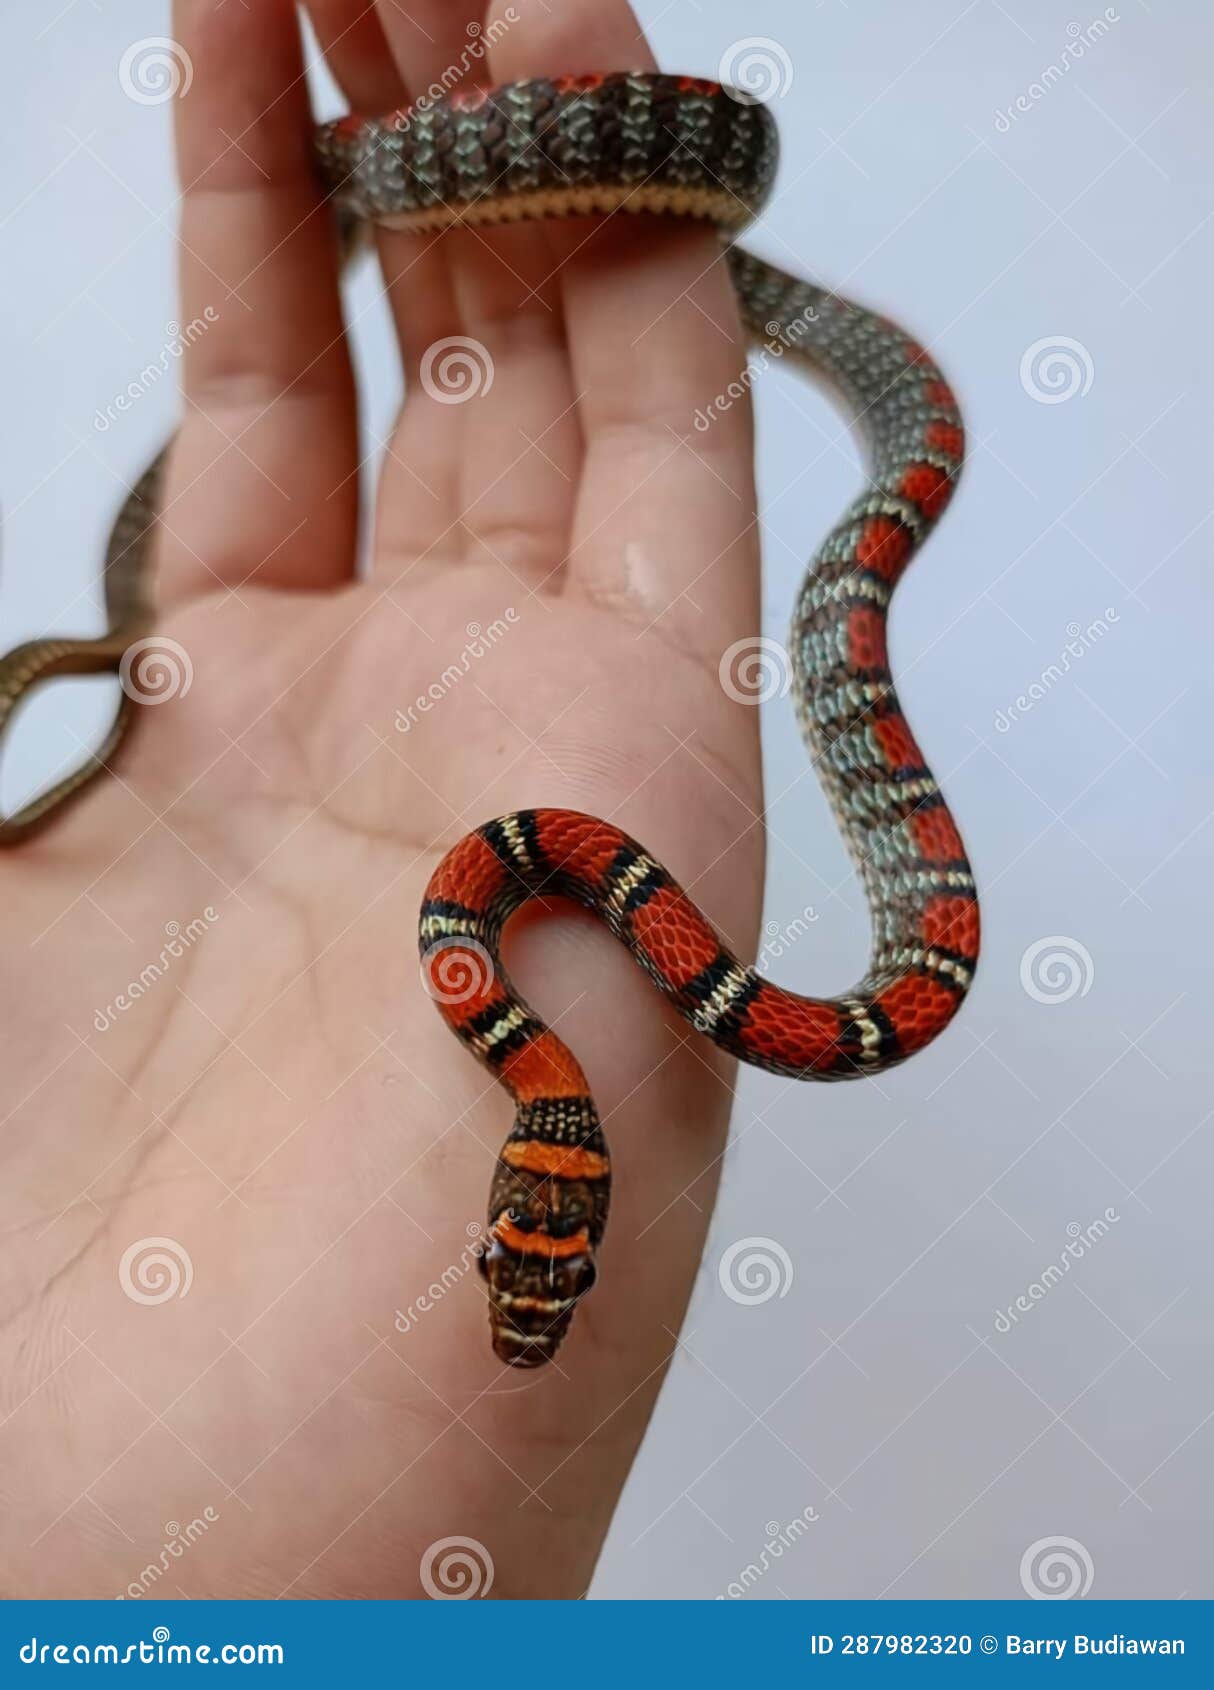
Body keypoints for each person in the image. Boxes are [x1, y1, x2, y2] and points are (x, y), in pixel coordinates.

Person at [0, 0, 767, 1597]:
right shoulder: (496, 963)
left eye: (518, 1261)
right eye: (536, 1259)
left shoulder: (484, 958)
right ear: (556, 1182)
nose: (523, 1273)